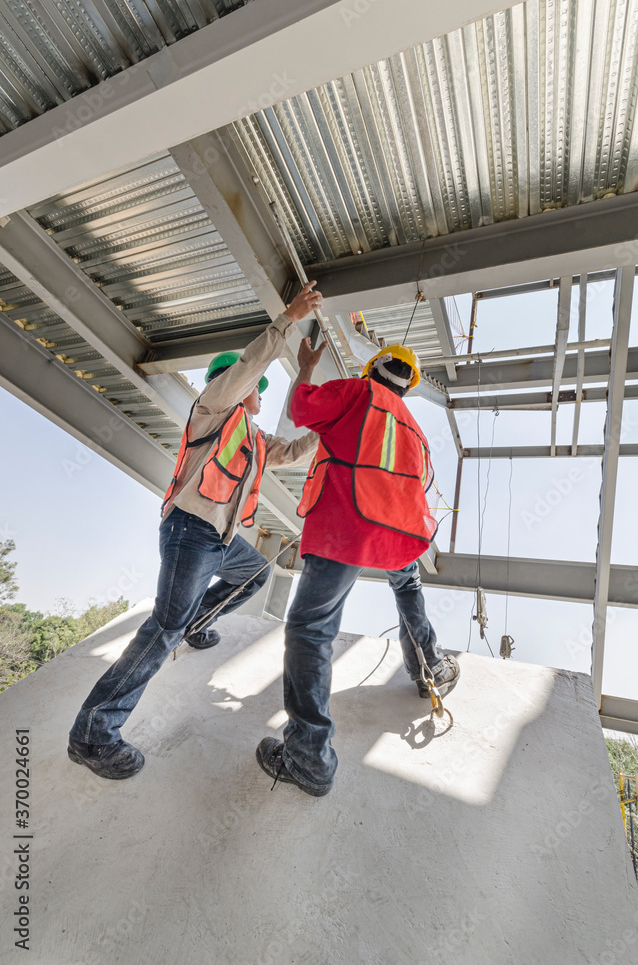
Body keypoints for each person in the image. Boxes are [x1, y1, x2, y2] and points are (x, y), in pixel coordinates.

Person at [68, 283, 327, 779]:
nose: (258, 392)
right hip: (190, 531)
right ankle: (93, 733)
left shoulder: (252, 435)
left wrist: (333, 425)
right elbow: (249, 367)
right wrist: (288, 319)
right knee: (162, 630)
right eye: (254, 386)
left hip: (218, 542)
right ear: (230, 383)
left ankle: (196, 622)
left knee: (253, 575)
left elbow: (294, 452)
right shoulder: (213, 406)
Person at [255, 343, 460, 797]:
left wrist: (307, 367)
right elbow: (422, 482)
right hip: (398, 533)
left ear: (372, 369)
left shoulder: (355, 392)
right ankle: (430, 668)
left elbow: (303, 407)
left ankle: (309, 757)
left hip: (345, 526)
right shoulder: (415, 428)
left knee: (310, 631)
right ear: (409, 386)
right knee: (407, 589)